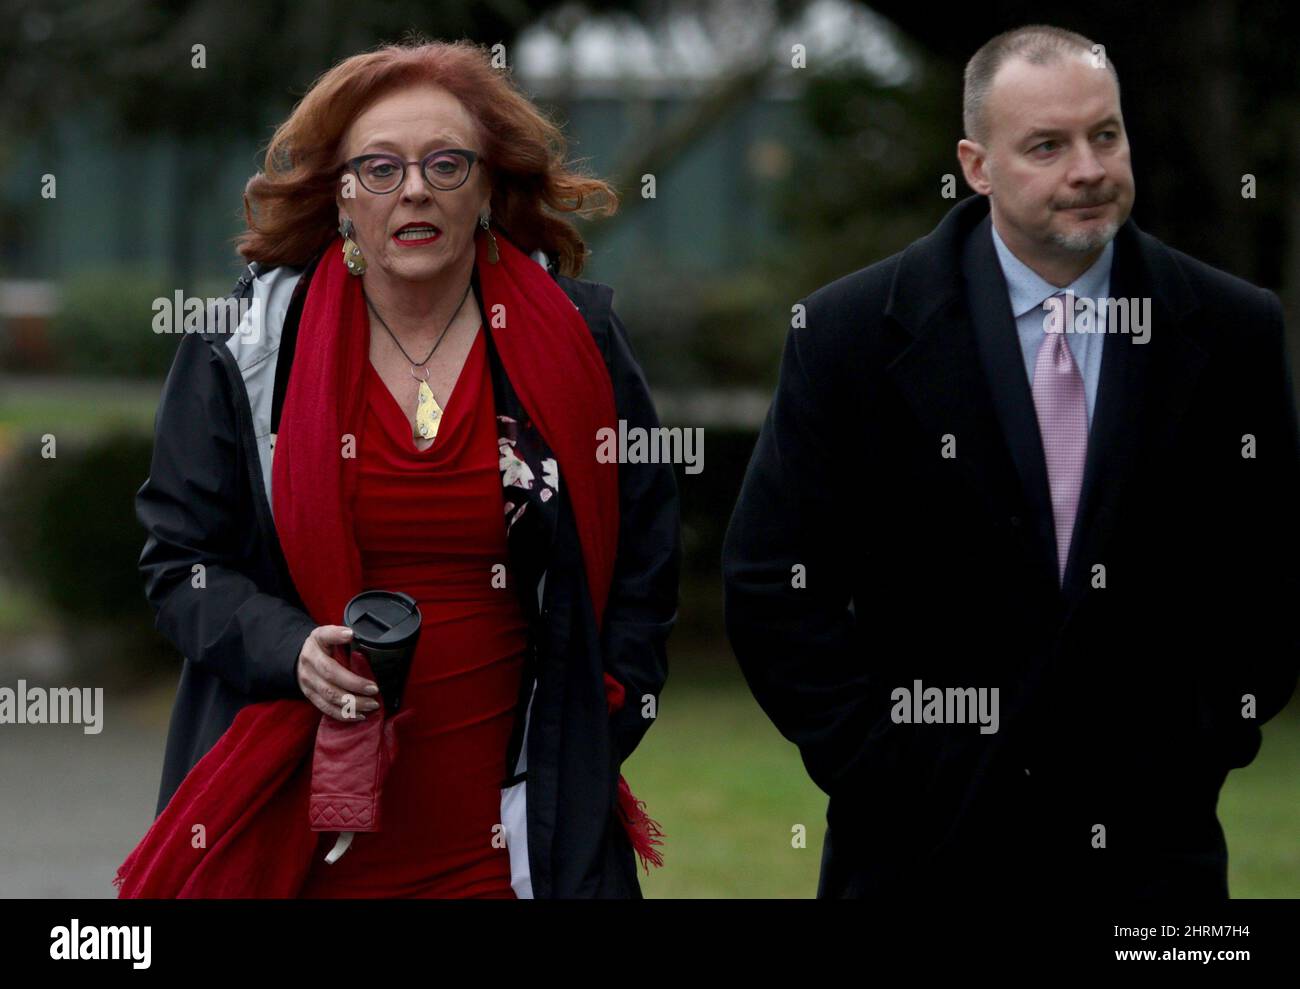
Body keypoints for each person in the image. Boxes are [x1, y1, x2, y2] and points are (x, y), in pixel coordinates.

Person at [722, 24, 1300, 898]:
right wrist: (883, 760)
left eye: (1106, 134)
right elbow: (772, 582)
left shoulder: (1233, 329)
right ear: (976, 164)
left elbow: (1272, 574)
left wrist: (1201, 740)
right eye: (1047, 145)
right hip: (915, 854)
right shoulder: (848, 335)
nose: (1089, 169)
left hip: (1156, 858)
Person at [120, 39, 681, 899]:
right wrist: (287, 648)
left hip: (517, 832)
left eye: (446, 164)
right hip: (299, 817)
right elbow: (179, 564)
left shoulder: (582, 341)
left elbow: (645, 563)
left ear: (488, 186)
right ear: (341, 193)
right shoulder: (246, 347)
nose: (413, 189)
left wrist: (596, 724)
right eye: (379, 168)